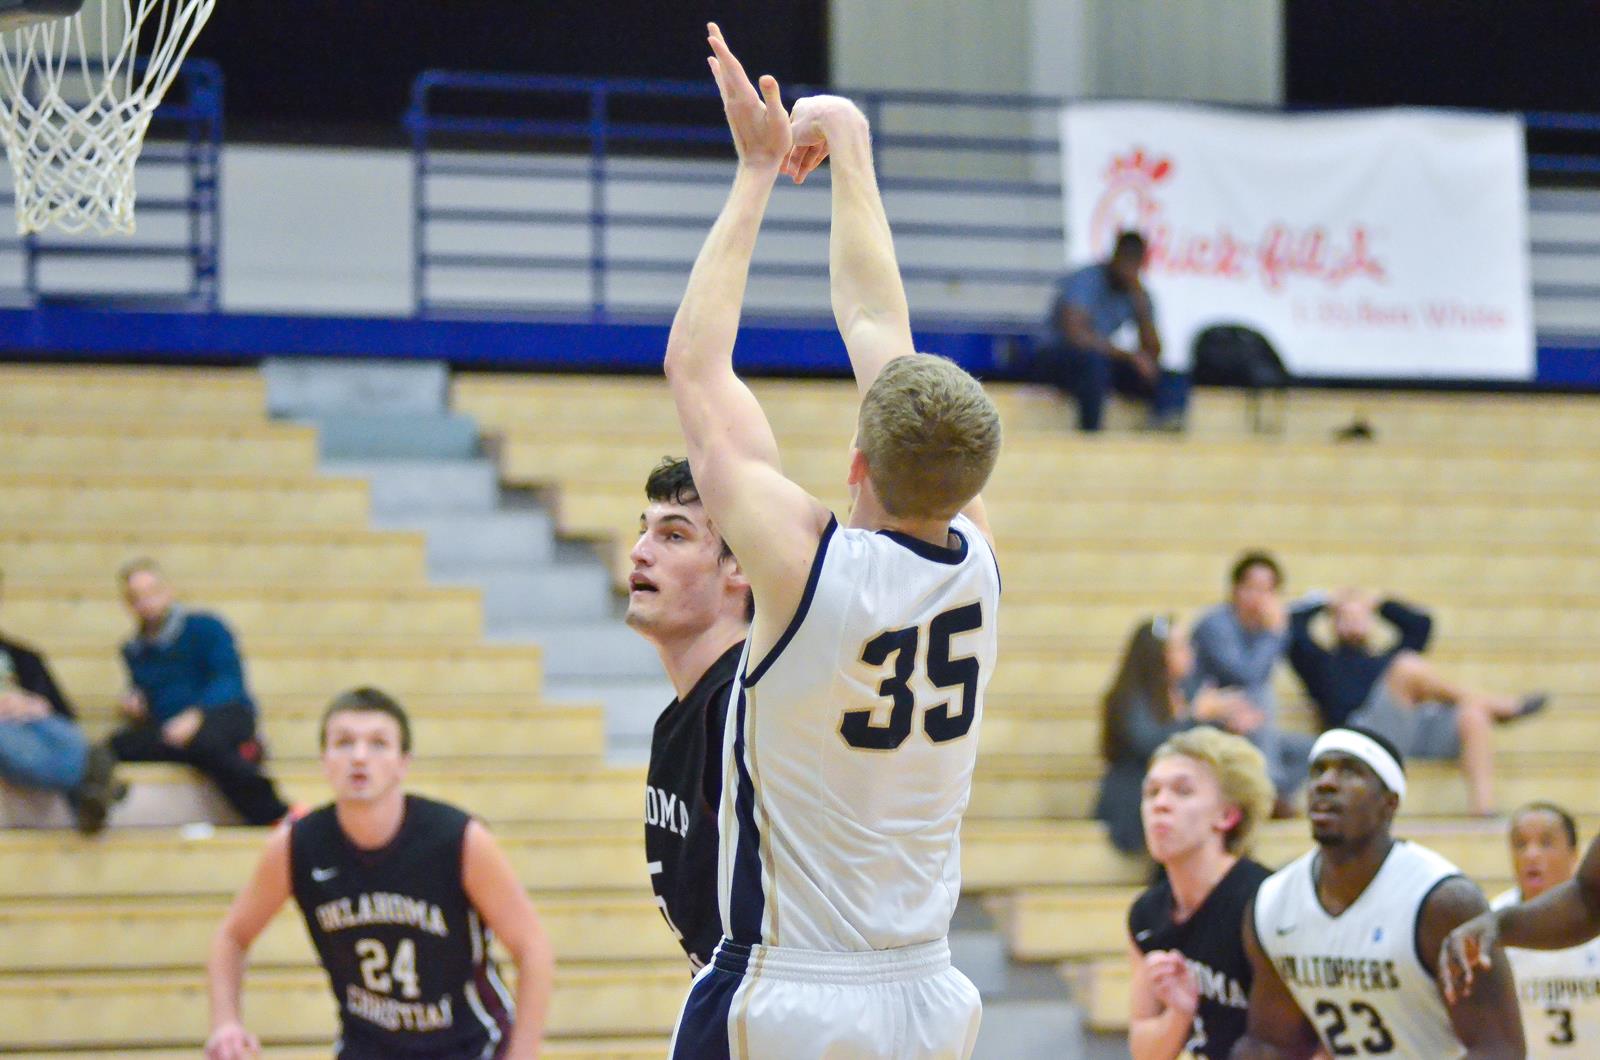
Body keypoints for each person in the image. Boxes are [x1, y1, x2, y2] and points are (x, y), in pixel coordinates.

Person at [664, 25, 1002, 1059]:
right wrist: (849, 142)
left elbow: (696, 370)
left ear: (854, 461)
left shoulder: (805, 565)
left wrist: (760, 171)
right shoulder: (978, 563)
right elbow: (877, 326)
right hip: (931, 995)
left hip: (793, 996)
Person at [204, 687, 553, 1060]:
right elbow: (232, 936)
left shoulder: (459, 839)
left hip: (471, 1047)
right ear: (324, 760)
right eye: (343, 742)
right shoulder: (296, 845)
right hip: (367, 1049)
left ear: (403, 762)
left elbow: (533, 948)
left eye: (378, 743)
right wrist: (225, 1022)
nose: (359, 756)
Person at [1231, 727, 1524, 1058]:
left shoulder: (1442, 902)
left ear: (1389, 802)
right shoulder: (1274, 901)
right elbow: (1272, 1043)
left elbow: (1499, 1048)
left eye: (1350, 771)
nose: (1325, 783)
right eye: (1318, 770)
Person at [626, 456, 751, 971]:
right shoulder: (686, 713)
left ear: (739, 567)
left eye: (673, 536)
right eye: (644, 531)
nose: (639, 553)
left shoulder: (748, 705)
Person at [1289, 588, 1547, 817]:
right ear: (1334, 623)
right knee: (1406, 666)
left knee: (1473, 715)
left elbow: (1421, 625)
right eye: (1346, 616)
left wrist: (1379, 603)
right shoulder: (1321, 663)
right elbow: (1293, 629)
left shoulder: (1383, 657)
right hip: (1362, 733)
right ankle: (1500, 706)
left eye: (1360, 616)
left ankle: (1483, 808)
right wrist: (1326, 602)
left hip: (1406, 730)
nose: (1354, 621)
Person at [1127, 727, 1276, 1059]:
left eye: (1182, 791)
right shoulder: (1145, 914)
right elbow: (1145, 1052)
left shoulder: (1266, 902)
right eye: (1151, 792)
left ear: (1227, 814)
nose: (1160, 804)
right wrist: (1178, 1013)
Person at [111, 558, 291, 825]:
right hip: (171, 729)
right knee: (117, 745)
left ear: (168, 591)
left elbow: (229, 680)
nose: (145, 602)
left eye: (152, 592)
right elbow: (153, 699)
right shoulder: (133, 650)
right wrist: (137, 705)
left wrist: (197, 716)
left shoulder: (206, 627)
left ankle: (277, 813)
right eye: (136, 597)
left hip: (223, 713)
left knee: (205, 742)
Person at [1094, 616, 1261, 854]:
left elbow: (1198, 742)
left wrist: (1228, 724)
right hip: (1133, 795)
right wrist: (1196, 717)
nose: (1190, 652)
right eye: (1181, 646)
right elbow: (1150, 745)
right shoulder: (1129, 697)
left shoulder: (1188, 691)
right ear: (1160, 655)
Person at [0, 566, 122, 833]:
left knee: (68, 735)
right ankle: (92, 782)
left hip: (28, 720)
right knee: (16, 748)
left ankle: (92, 777)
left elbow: (64, 711)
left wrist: (33, 703)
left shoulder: (21, 655)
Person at [1191, 552, 1314, 806]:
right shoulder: (1215, 624)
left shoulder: (1264, 627)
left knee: (1314, 751)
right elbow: (1246, 675)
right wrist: (1275, 633)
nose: (1260, 598)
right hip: (1208, 718)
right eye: (1253, 588)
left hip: (1251, 723)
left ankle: (1270, 791)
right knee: (1260, 695)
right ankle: (1267, 792)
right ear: (1236, 589)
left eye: (1268, 590)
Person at [1034, 229, 1188, 432]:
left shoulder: (1137, 292)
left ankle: (1164, 425)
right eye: (1125, 261)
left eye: (1135, 263)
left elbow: (1153, 353)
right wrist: (1129, 356)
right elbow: (1075, 334)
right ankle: (1091, 434)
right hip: (1056, 355)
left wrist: (1141, 306)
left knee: (1174, 377)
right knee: (1094, 365)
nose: (1128, 269)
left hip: (1101, 361)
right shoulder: (1088, 279)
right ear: (1114, 257)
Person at [1482, 803, 1600, 1057]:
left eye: (1546, 843)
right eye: (1520, 844)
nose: (1531, 854)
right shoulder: (1490, 927)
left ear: (1574, 853)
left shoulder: (1596, 920)